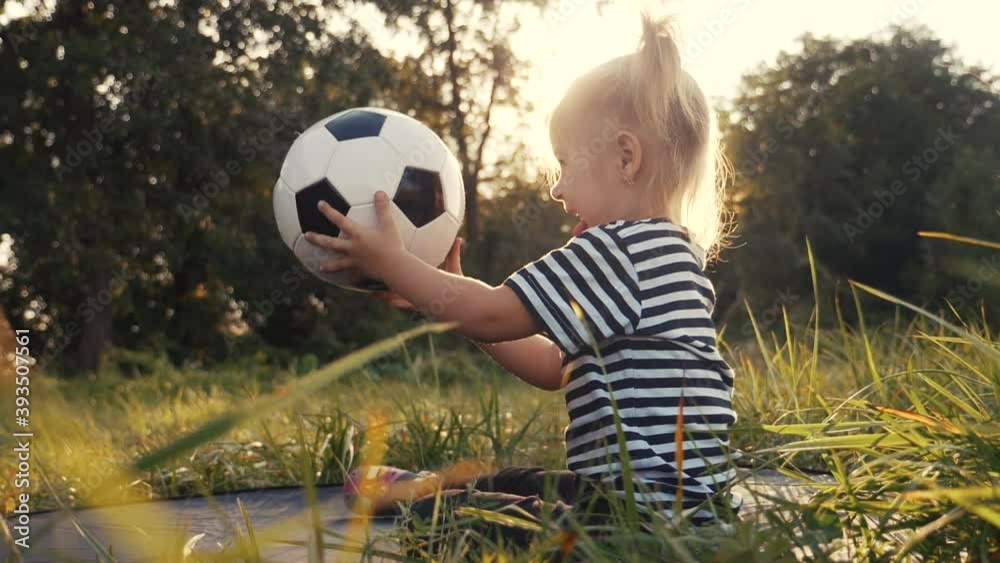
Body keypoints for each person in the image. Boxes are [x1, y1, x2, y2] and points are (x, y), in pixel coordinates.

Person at [304, 11, 743, 550]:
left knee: (462, 521)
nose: (558, 190)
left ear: (625, 157)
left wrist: (391, 259)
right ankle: (431, 490)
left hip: (634, 522)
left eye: (565, 164)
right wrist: (442, 295)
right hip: (686, 510)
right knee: (519, 483)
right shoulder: (673, 258)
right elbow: (553, 367)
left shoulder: (616, 248)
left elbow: (493, 312)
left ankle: (423, 502)